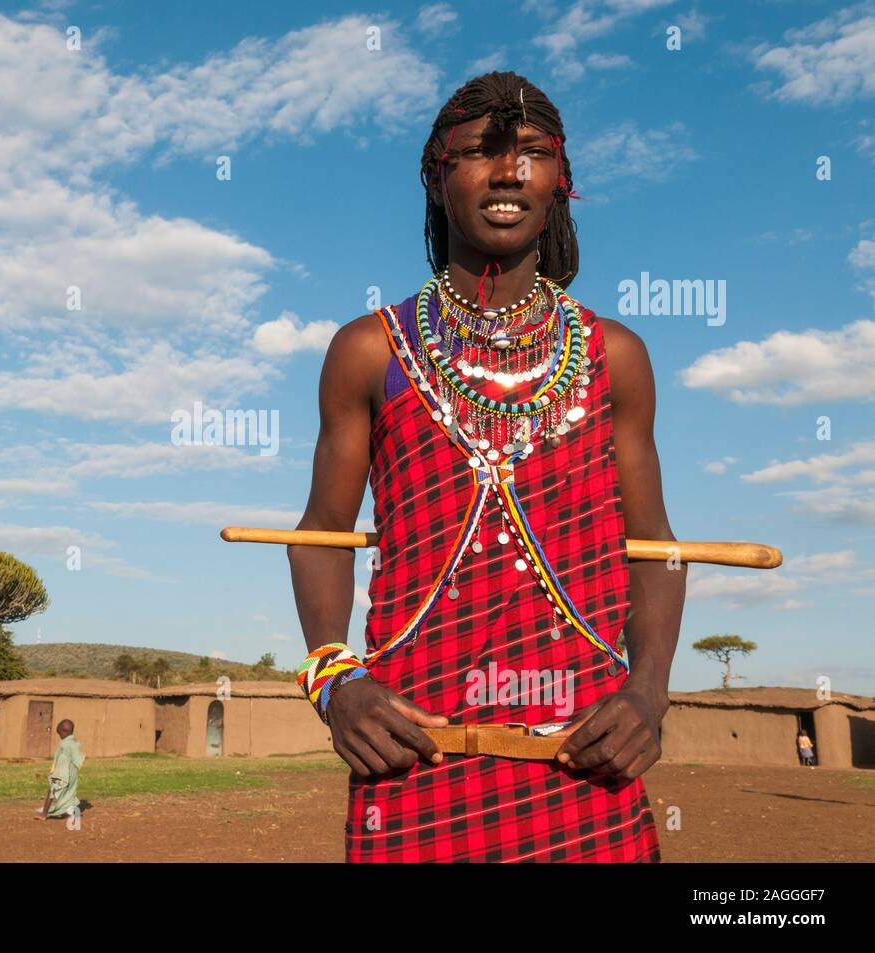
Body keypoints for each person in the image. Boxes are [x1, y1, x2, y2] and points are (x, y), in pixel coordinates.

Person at [288, 71, 683, 862]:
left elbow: (657, 548)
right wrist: (335, 683)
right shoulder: (370, 351)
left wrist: (648, 693)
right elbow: (321, 534)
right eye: (478, 153)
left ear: (559, 183)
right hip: (413, 750)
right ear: (438, 177)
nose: (508, 172)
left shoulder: (615, 358)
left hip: (587, 753)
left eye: (532, 152)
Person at [35, 720, 85, 820]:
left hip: (62, 774)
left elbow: (62, 762)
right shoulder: (75, 743)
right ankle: (70, 812)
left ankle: (44, 814)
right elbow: (79, 760)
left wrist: (55, 775)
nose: (60, 736)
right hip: (73, 775)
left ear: (63, 731)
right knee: (68, 793)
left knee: (52, 789)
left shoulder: (64, 746)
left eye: (60, 734)